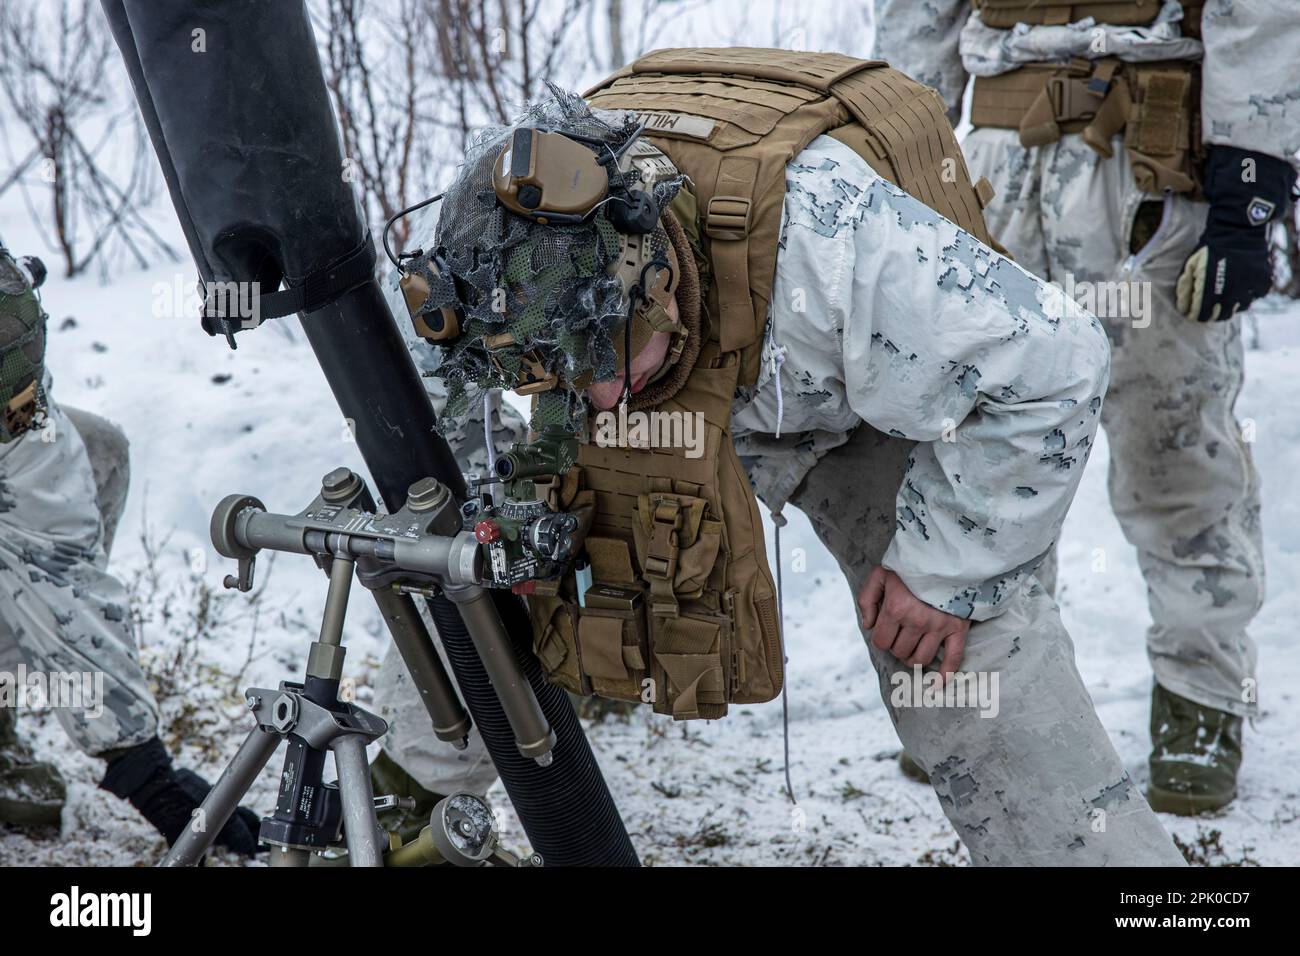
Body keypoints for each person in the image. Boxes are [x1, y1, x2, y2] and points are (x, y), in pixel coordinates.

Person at [365, 50, 1189, 866]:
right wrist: (509, 505)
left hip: (846, 393)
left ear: (654, 278)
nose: (603, 403)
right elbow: (454, 404)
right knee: (477, 553)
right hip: (698, 377)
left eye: (609, 362)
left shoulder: (838, 243)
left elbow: (1059, 363)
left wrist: (947, 571)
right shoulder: (488, 272)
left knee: (970, 659)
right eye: (559, 373)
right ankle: (412, 794)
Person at [873, 0, 1300, 814]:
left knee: (1175, 449)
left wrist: (1253, 173)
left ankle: (1201, 702)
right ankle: (979, 692)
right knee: (975, 445)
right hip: (995, 163)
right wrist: (896, 151)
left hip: (1147, 166)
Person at [0, 240, 260, 854]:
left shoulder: (12, 368)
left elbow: (56, 556)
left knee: (94, 453)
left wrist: (138, 760)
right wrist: (140, 766)